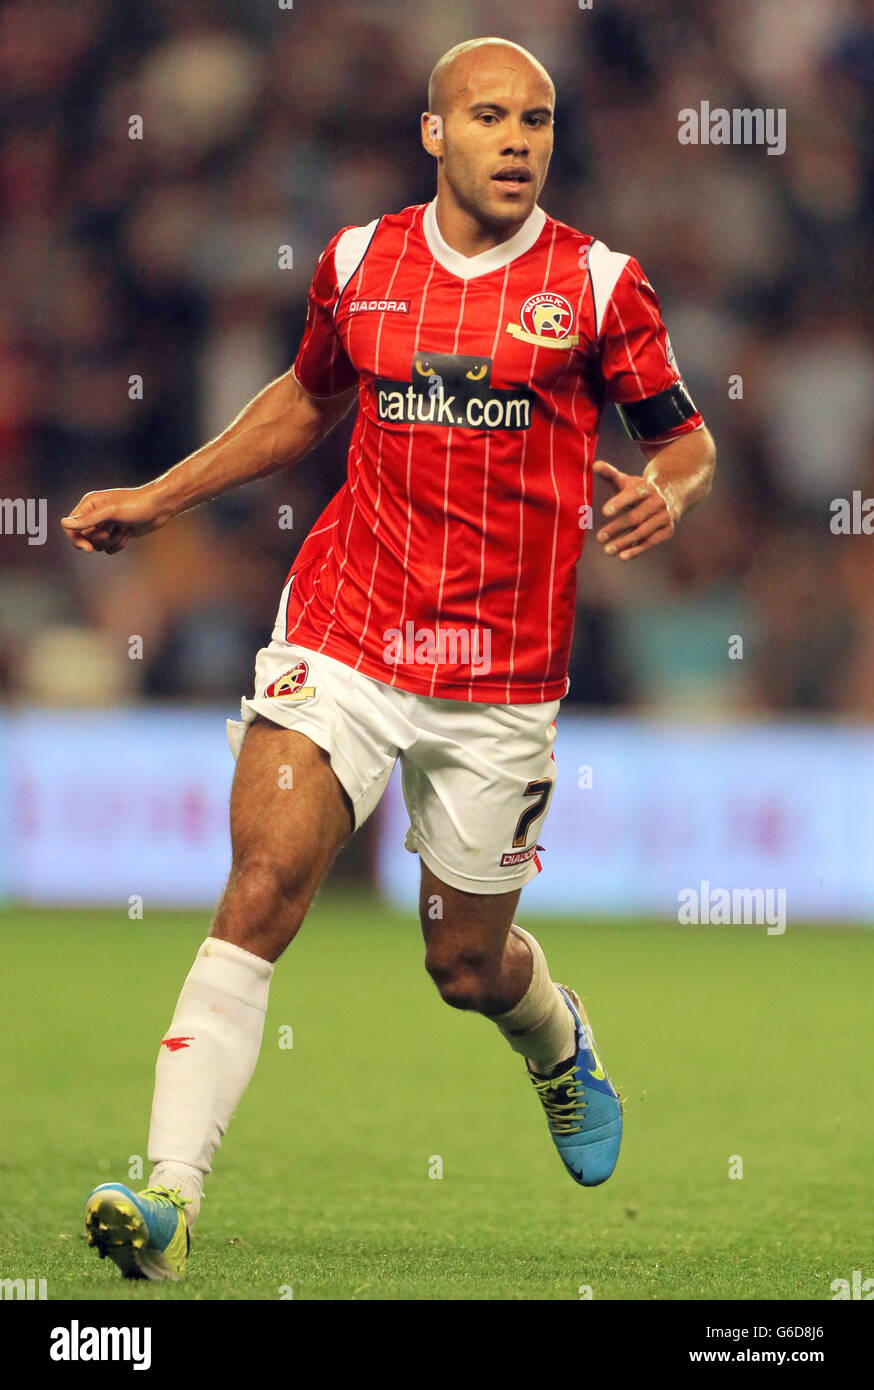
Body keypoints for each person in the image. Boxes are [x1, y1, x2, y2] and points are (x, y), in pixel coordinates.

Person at [62, 36, 715, 1282]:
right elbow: (306, 402)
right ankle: (165, 1199)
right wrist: (160, 494)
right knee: (261, 888)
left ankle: (555, 1041)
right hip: (347, 632)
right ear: (435, 134)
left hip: (500, 674)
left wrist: (671, 496)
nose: (517, 139)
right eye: (488, 116)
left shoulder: (596, 284)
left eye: (536, 119)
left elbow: (681, 441)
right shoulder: (359, 261)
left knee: (462, 966)